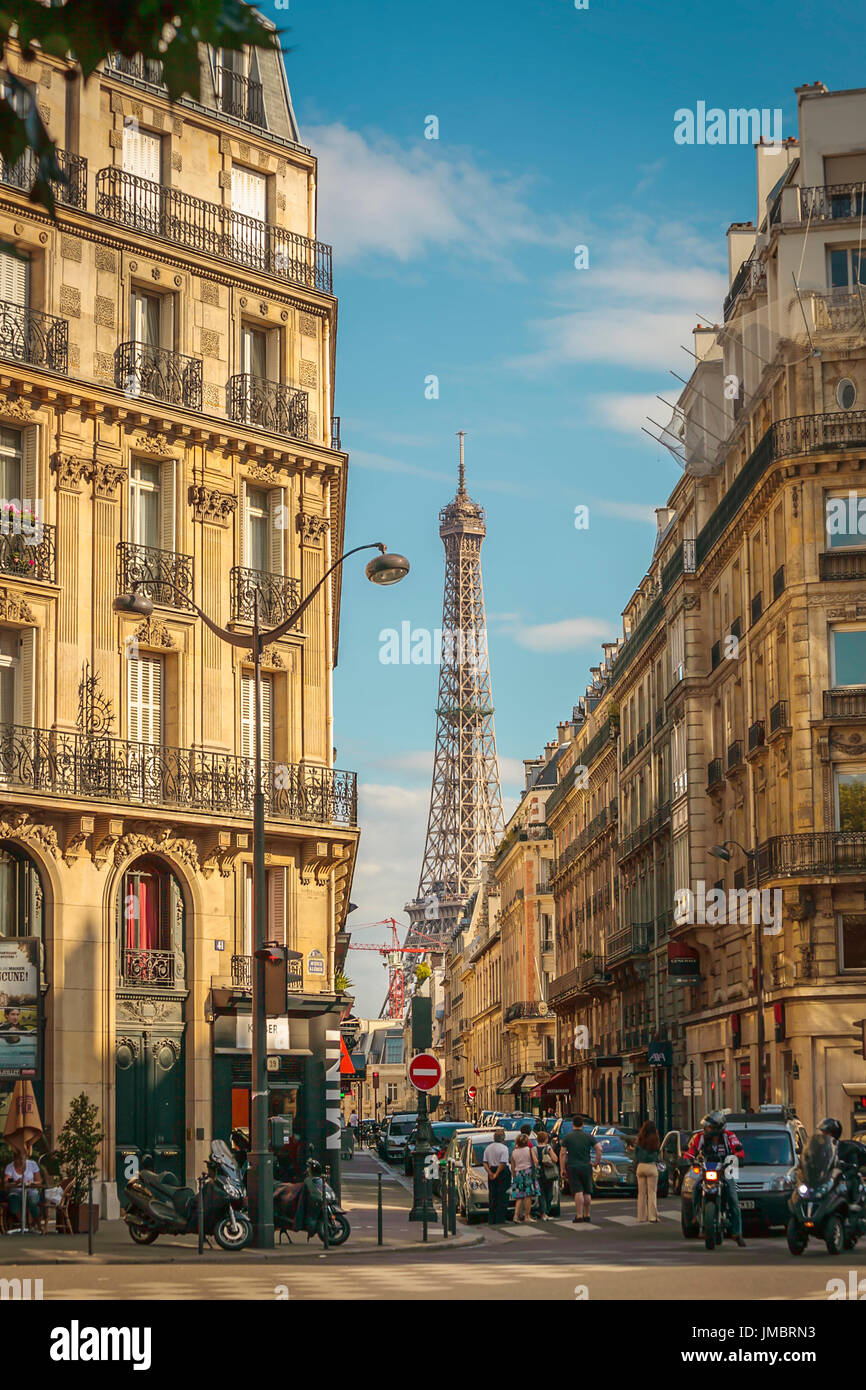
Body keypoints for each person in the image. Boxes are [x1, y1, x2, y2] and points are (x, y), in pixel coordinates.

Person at [684, 1110, 746, 1247]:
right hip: (707, 1169)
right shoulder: (700, 1137)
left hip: (725, 1170)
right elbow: (691, 1150)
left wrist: (738, 1157)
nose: (706, 1130)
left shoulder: (729, 1136)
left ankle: (737, 1233)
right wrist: (686, 1159)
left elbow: (738, 1149)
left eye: (709, 1127)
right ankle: (695, 1216)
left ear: (719, 1127)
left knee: (733, 1199)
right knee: (695, 1188)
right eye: (706, 1127)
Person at [560, 1116, 602, 1223]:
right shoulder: (588, 1136)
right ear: (582, 1124)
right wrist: (596, 1162)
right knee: (587, 1191)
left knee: (578, 1191)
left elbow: (562, 1153)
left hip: (573, 1166)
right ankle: (587, 1214)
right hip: (586, 1166)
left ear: (573, 1124)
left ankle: (579, 1215)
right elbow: (599, 1148)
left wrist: (562, 1168)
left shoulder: (567, 1137)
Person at [4, 1152, 44, 1231]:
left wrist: (32, 1183)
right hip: (15, 1191)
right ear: (14, 1159)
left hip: (30, 1190)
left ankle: (36, 1222)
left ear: (26, 1157)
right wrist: (16, 1181)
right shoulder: (10, 1167)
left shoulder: (32, 1164)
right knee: (14, 1204)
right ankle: (24, 1223)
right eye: (18, 1159)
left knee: (32, 1201)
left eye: (22, 1159)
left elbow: (39, 1180)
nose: (20, 1161)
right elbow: (6, 1180)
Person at [633, 1120, 662, 1223]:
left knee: (641, 1193)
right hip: (651, 1166)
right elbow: (657, 1153)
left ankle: (641, 1217)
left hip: (640, 1167)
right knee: (652, 1192)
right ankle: (652, 1216)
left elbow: (635, 1155)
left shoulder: (639, 1139)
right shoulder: (655, 1139)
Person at [483, 1128, 510, 1225]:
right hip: (502, 1172)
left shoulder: (488, 1148)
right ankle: (500, 1218)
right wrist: (496, 1174)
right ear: (503, 1139)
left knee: (492, 1195)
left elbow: (485, 1162)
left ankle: (492, 1218)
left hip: (492, 1169)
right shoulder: (504, 1148)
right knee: (502, 1196)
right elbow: (502, 1163)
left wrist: (490, 1172)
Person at [510, 1131, 539, 1222]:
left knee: (519, 1197)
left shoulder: (514, 1152)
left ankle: (515, 1216)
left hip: (518, 1174)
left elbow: (512, 1166)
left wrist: (514, 1176)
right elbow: (535, 1161)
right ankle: (527, 1216)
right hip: (527, 1172)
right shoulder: (528, 1150)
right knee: (528, 1196)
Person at [535, 1125, 558, 1220]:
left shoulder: (534, 1149)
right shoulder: (548, 1148)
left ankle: (542, 1212)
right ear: (546, 1139)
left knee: (541, 1193)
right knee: (549, 1193)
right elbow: (555, 1159)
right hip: (548, 1172)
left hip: (538, 1173)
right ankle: (545, 1212)